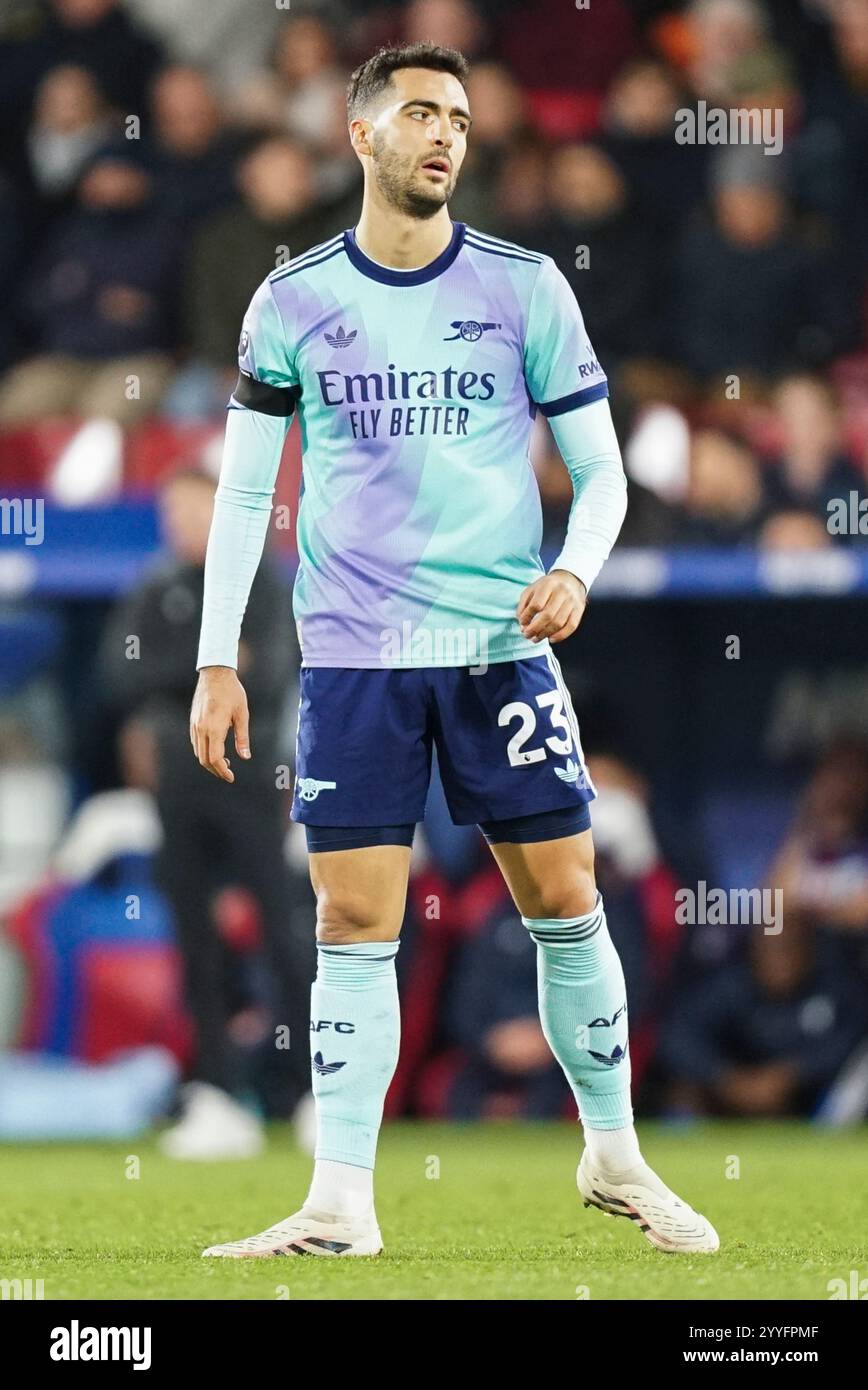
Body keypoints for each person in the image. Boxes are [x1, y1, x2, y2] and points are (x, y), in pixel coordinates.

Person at [191, 42, 719, 1257]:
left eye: (462, 119)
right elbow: (237, 499)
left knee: (567, 894)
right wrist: (219, 656)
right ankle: (340, 1202)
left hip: (496, 647)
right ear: (359, 130)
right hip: (354, 655)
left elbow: (602, 475)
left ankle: (613, 1155)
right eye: (420, 113)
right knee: (352, 919)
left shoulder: (527, 286)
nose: (446, 135)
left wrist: (573, 572)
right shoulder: (292, 299)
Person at [100, 466, 315, 1157]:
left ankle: (316, 1093)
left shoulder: (262, 581)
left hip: (251, 781)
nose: (183, 526)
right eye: (174, 513)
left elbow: (269, 673)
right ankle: (219, 1095)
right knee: (195, 942)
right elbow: (118, 675)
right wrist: (205, 668)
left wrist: (182, 678)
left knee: (285, 938)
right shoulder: (154, 586)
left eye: (195, 511)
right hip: (178, 788)